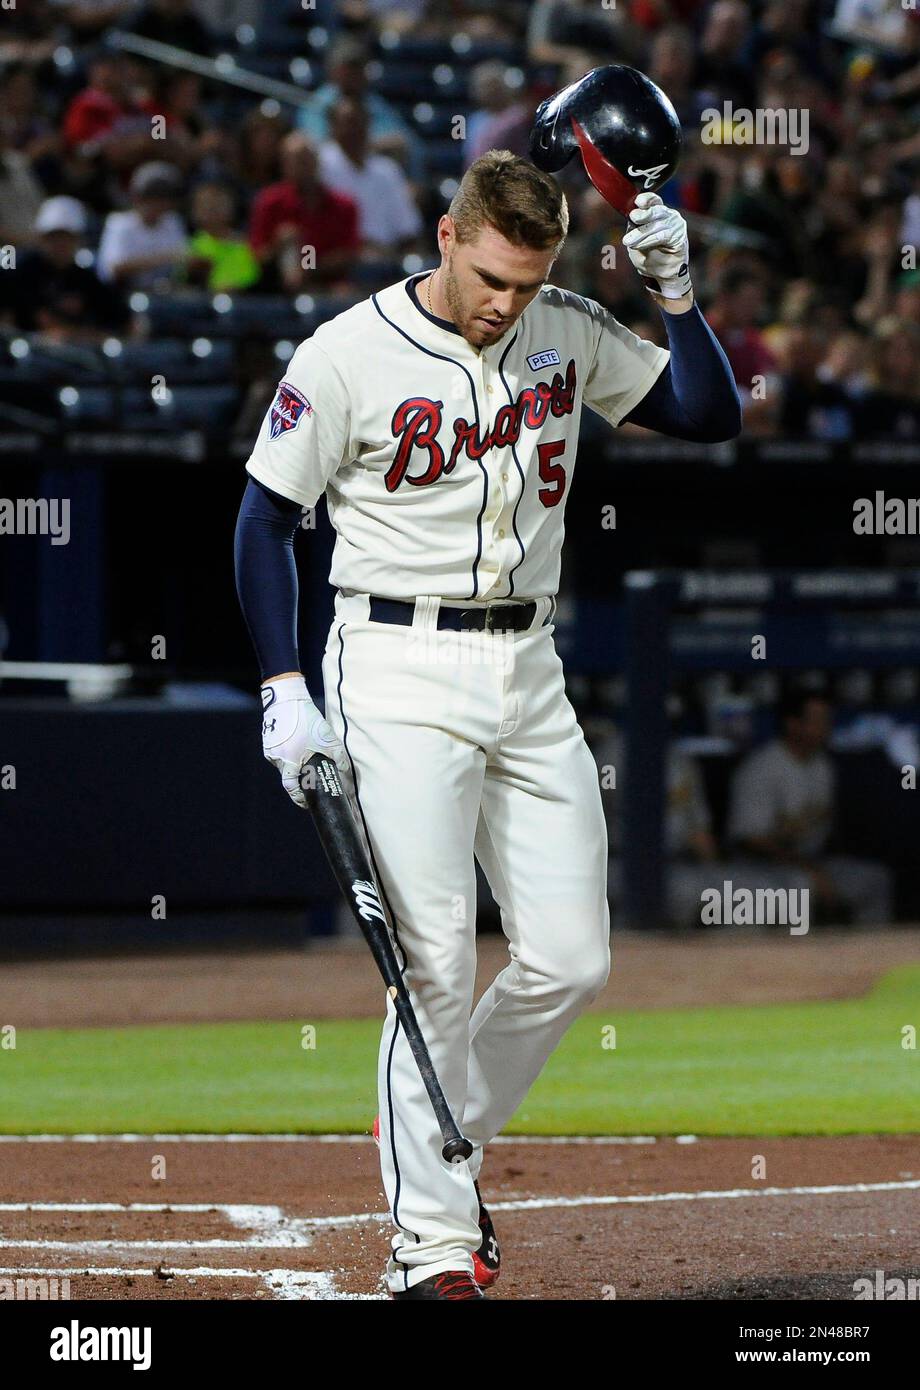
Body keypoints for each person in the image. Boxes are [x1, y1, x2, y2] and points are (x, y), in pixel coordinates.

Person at [234, 149, 740, 1299]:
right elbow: (262, 521)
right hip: (394, 660)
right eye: (492, 277)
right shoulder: (347, 353)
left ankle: (431, 1120)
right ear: (448, 237)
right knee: (433, 962)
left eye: (528, 280)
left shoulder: (561, 329)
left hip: (527, 663)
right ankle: (430, 1247)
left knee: (570, 958)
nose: (506, 303)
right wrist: (281, 687)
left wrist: (675, 296)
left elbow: (706, 415)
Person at [727, 689, 894, 926]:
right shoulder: (761, 768)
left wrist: (817, 869)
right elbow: (750, 841)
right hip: (760, 868)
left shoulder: (822, 766)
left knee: (875, 879)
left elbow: (827, 832)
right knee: (800, 885)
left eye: (827, 720)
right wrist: (809, 870)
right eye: (818, 721)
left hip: (811, 861)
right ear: (792, 724)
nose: (826, 727)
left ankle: (870, 950)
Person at [0, 195, 131, 340]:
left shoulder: (85, 278)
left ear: (78, 240)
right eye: (53, 237)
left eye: (66, 237)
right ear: (41, 238)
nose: (59, 244)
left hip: (75, 349)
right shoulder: (19, 271)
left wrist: (77, 335)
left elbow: (119, 318)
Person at [248, 132, 360, 293]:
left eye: (304, 159)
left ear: (317, 161)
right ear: (283, 165)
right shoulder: (270, 202)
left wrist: (309, 268)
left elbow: (349, 253)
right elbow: (256, 254)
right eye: (292, 160)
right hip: (276, 286)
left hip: (328, 285)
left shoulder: (344, 205)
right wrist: (278, 244)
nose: (300, 166)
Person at [318, 99, 423, 255]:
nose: (354, 129)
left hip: (386, 258)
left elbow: (408, 230)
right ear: (333, 126)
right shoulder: (321, 164)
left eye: (359, 122)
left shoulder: (387, 170)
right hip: (340, 258)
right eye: (348, 123)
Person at [95, 160, 188, 291]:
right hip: (126, 292)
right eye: (151, 197)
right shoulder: (119, 223)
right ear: (137, 197)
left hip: (166, 291)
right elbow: (114, 269)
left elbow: (184, 259)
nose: (158, 204)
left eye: (163, 198)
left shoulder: (173, 221)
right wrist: (164, 258)